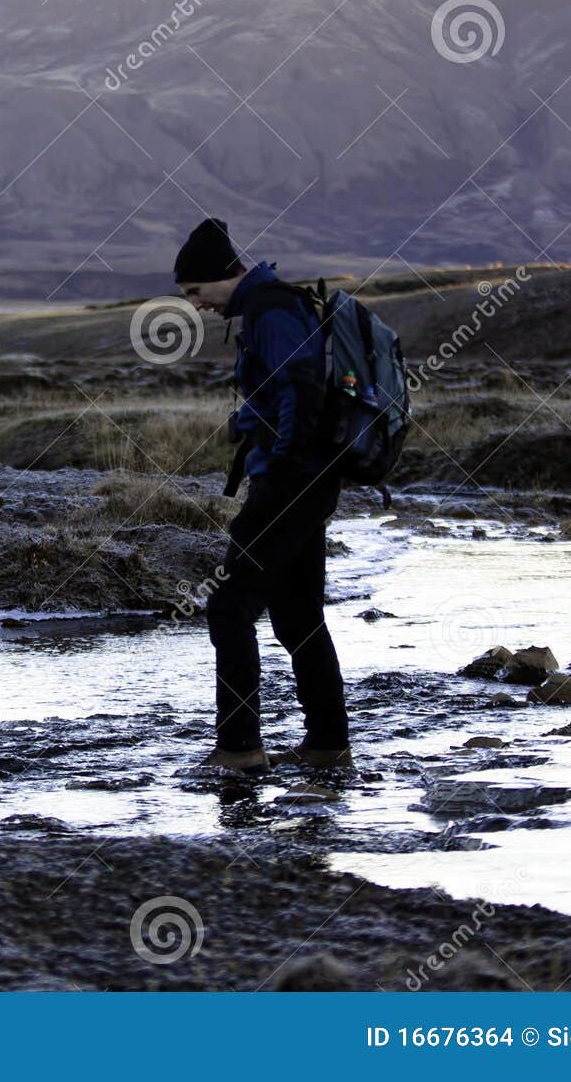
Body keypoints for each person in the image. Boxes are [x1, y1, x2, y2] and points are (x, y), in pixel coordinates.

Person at [173, 217, 350, 775]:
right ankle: (327, 746)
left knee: (228, 608)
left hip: (291, 483)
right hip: (307, 480)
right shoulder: (270, 307)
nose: (196, 305)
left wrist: (286, 472)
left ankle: (240, 750)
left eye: (196, 292)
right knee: (298, 616)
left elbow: (299, 387)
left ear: (225, 276)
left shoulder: (273, 311)